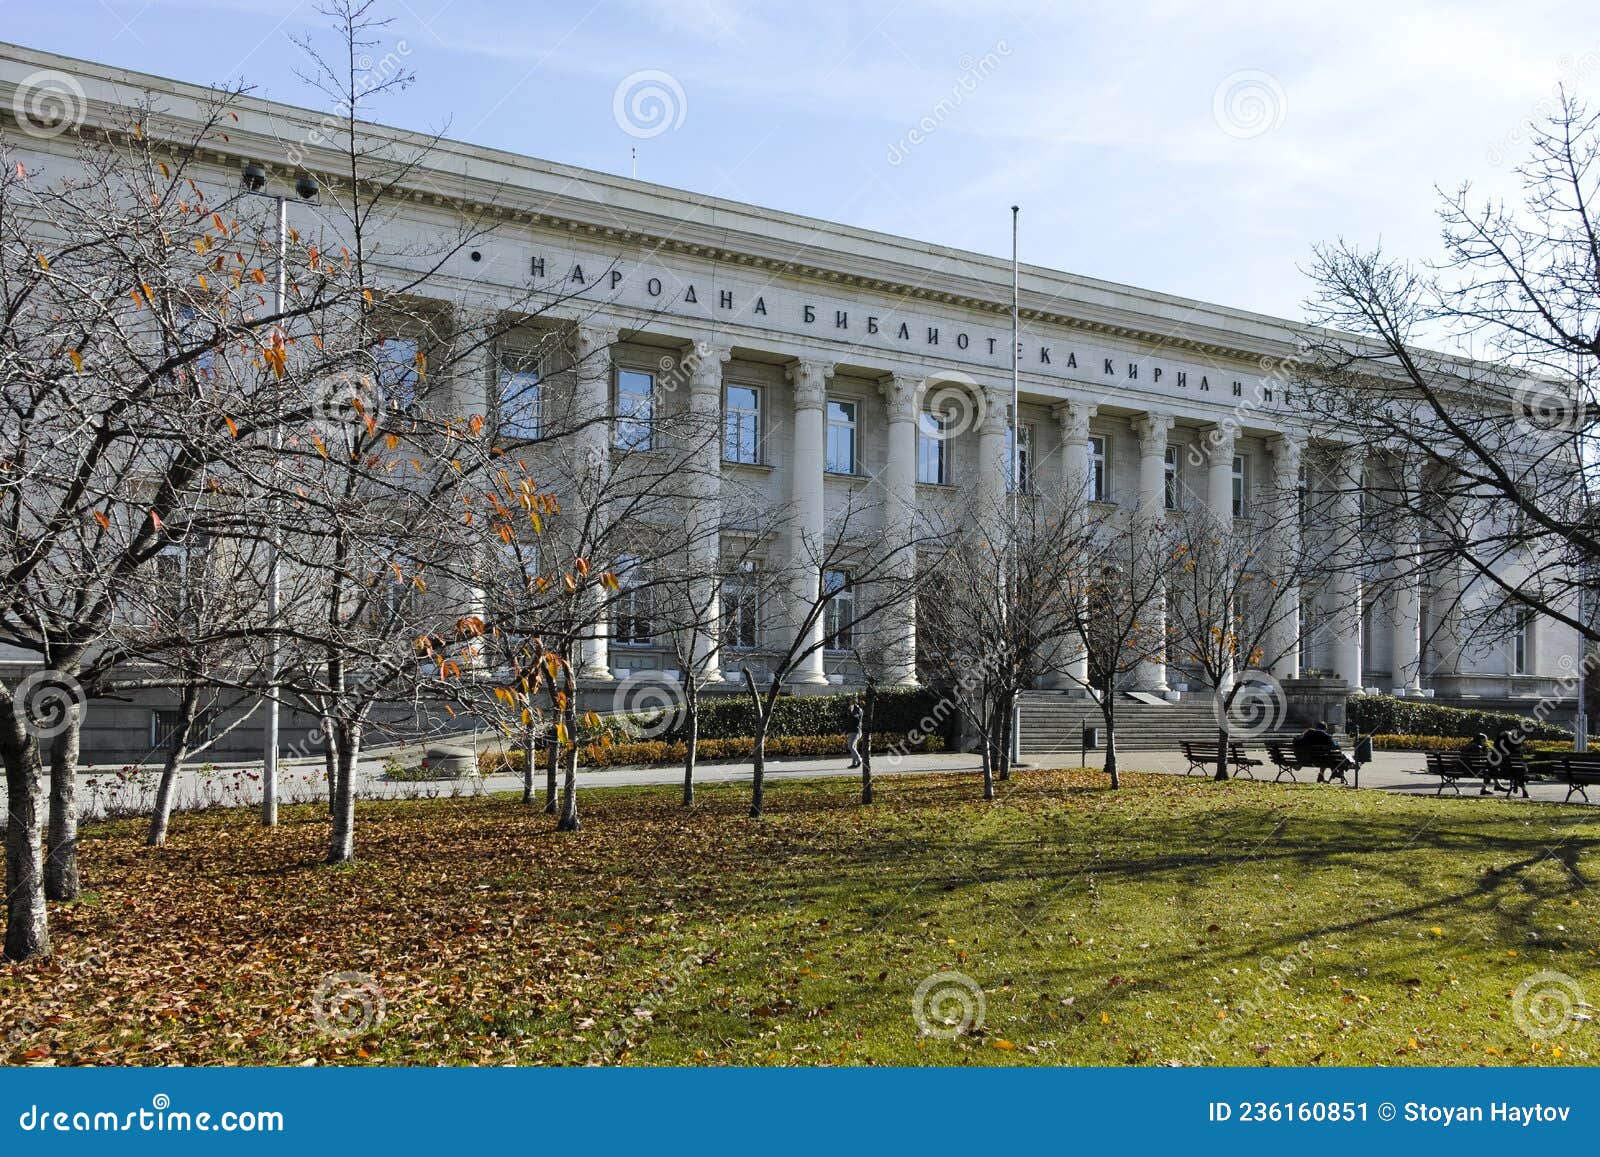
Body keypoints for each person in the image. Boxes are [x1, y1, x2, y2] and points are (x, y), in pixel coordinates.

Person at [1293, 720, 1354, 784]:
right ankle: (1338, 773)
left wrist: (1303, 733)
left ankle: (1322, 775)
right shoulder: (1326, 736)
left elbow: (1296, 741)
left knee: (1325, 756)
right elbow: (1336, 747)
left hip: (1308, 759)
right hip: (1322, 759)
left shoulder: (1308, 733)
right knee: (1334, 757)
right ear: (1325, 729)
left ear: (1316, 727)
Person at [846, 697, 864, 769]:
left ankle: (859, 759)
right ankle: (854, 763)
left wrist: (851, 712)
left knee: (851, 746)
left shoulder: (858, 709)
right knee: (854, 747)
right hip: (852, 731)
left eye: (850, 701)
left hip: (856, 731)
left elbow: (856, 718)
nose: (849, 702)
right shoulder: (852, 709)